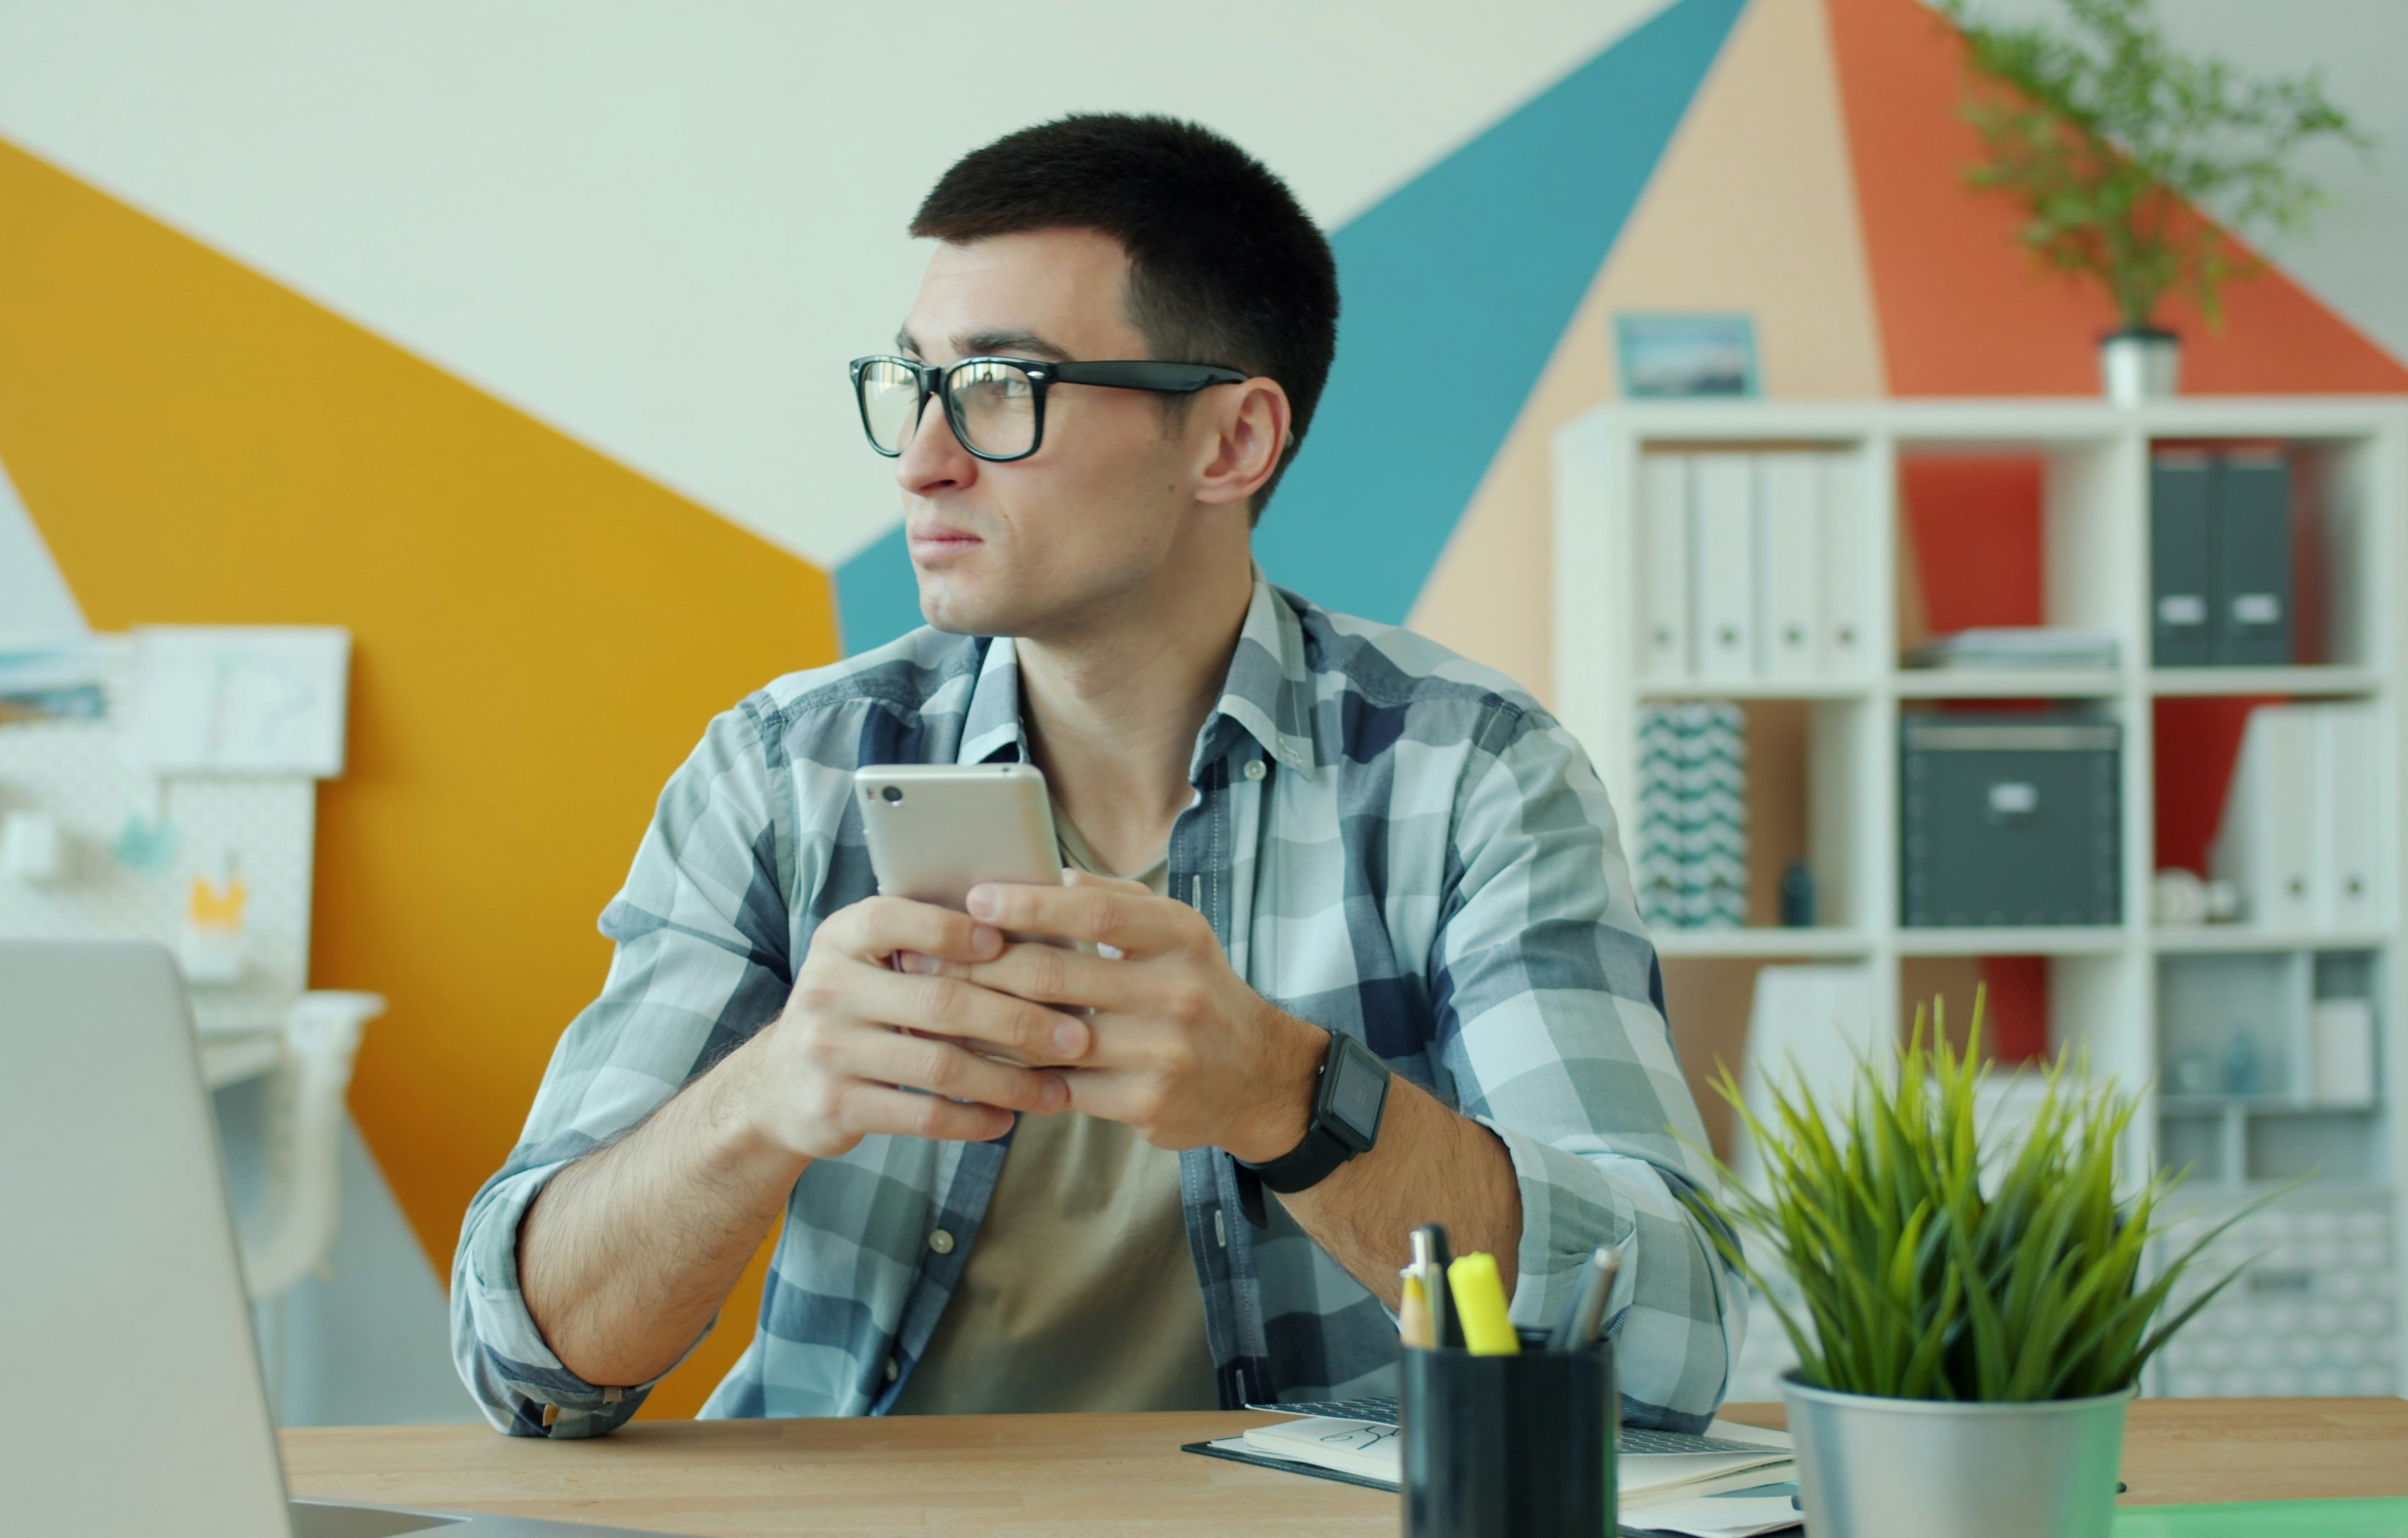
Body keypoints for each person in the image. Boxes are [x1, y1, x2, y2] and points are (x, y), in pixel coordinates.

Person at [451, 113, 1737, 1436]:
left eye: (1006, 388)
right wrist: (765, 1100)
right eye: (915, 385)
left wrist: (1288, 1099)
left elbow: (1672, 1341)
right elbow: (523, 1360)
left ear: (1230, 443)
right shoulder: (784, 772)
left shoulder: (1470, 774)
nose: (922, 460)